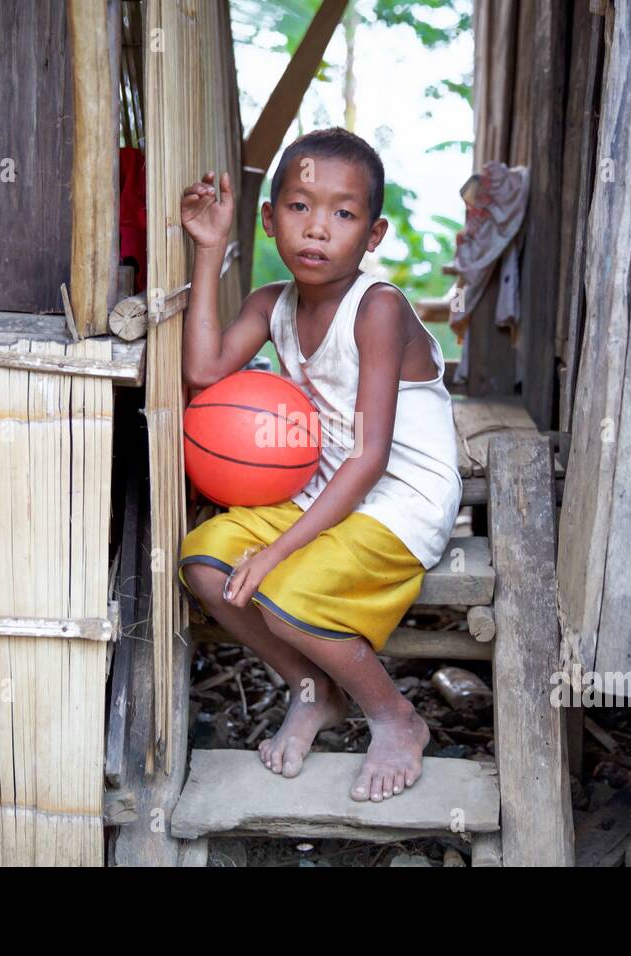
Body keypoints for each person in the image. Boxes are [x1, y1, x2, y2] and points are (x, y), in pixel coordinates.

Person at [177, 128, 462, 803]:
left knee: (286, 596)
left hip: (399, 499)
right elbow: (203, 371)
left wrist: (276, 551)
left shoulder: (379, 309)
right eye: (300, 206)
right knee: (204, 563)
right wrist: (209, 248)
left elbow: (370, 456)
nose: (317, 228)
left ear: (373, 234)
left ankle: (394, 716)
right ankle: (315, 691)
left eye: (344, 213)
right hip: (323, 493)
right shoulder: (270, 304)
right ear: (269, 218)